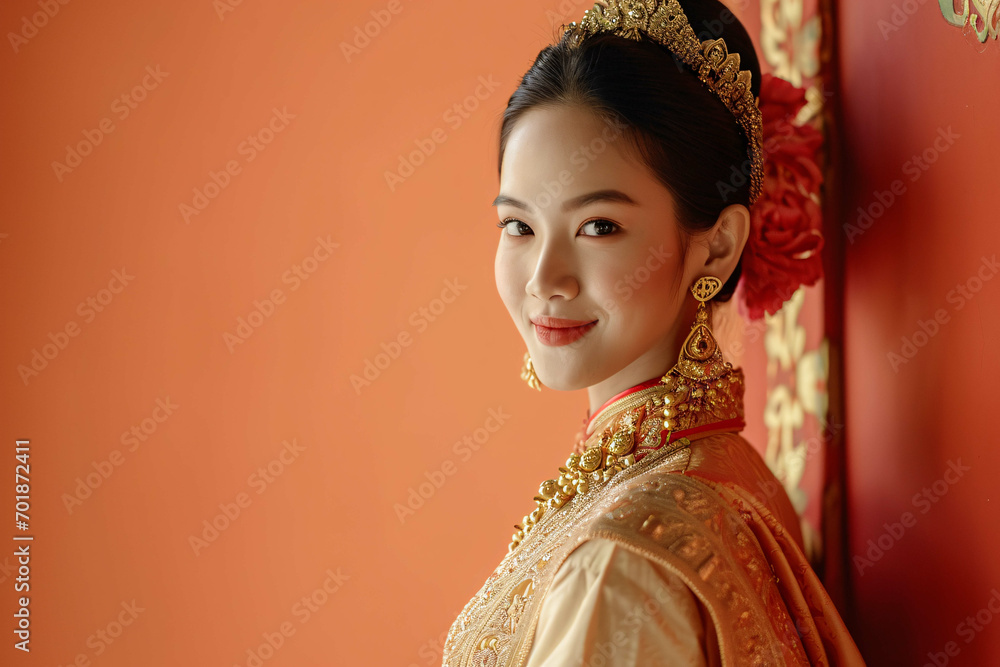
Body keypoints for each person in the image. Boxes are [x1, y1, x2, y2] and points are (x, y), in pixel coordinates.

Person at [441, 0, 866, 664]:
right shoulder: (732, 473)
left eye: (599, 227)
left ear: (717, 247)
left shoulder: (615, 563)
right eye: (519, 226)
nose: (544, 278)